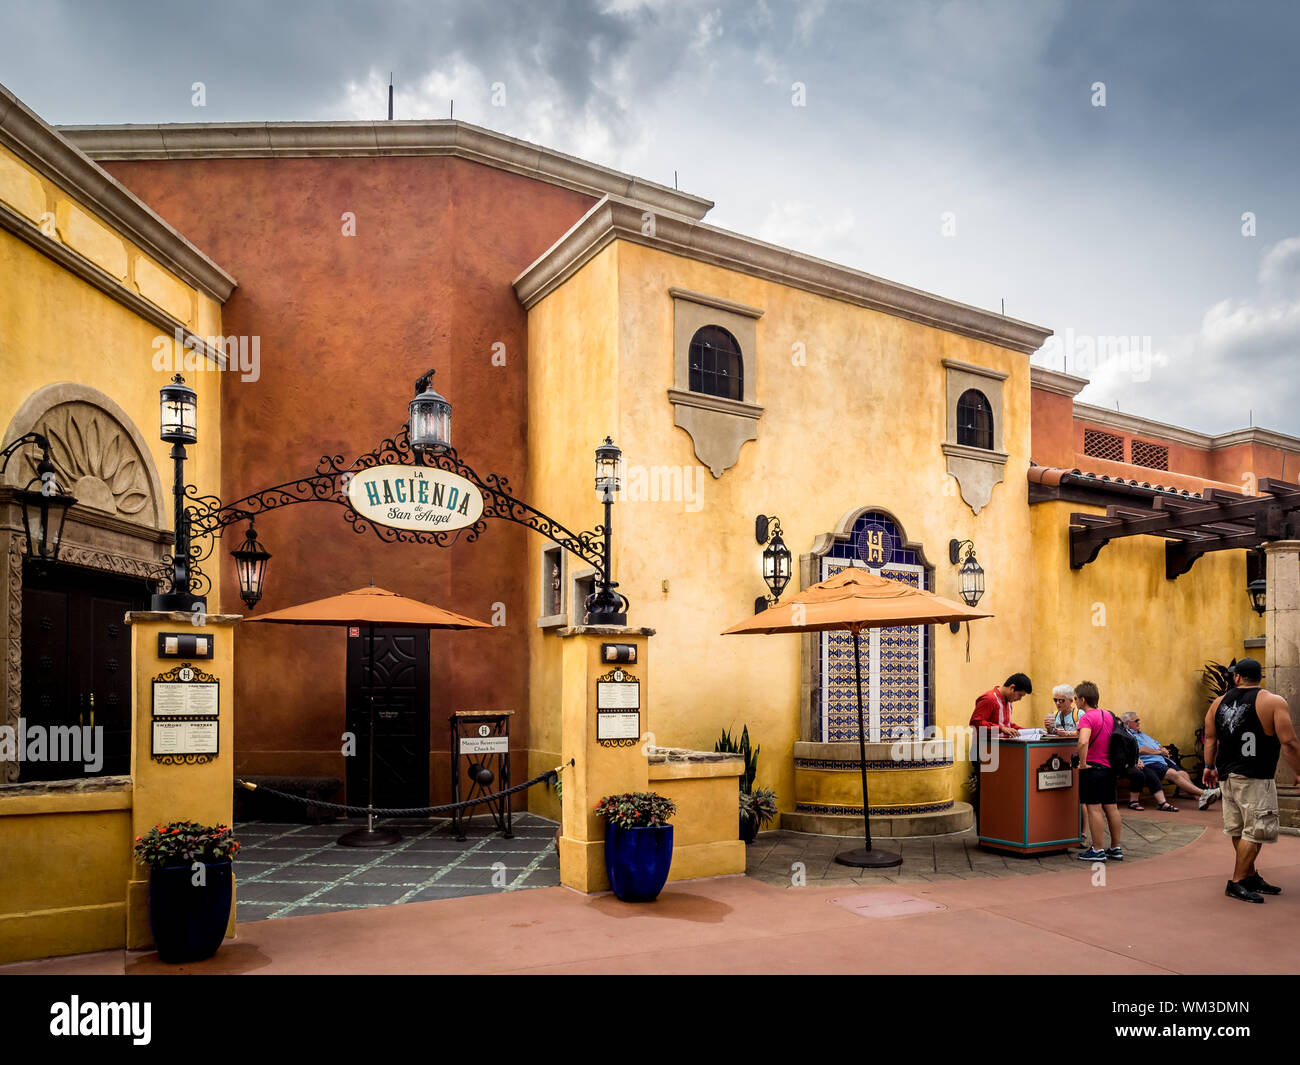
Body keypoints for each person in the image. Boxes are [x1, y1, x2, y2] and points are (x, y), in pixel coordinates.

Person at [1203, 658, 1300, 903]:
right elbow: (1288, 743)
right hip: (1255, 776)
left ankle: (1250, 875)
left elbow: (1210, 739)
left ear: (1236, 677)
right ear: (1259, 677)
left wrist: (1208, 767)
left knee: (1240, 829)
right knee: (1254, 830)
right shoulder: (1272, 701)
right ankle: (1237, 882)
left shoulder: (1217, 703)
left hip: (1227, 775)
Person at [1119, 711, 1219, 812]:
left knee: (1182, 773)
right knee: (1173, 773)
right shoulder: (1129, 735)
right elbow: (1140, 750)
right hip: (1150, 763)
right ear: (1127, 723)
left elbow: (1157, 745)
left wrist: (1163, 750)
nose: (1139, 722)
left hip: (1163, 761)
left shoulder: (1143, 734)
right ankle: (1204, 793)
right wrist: (1159, 752)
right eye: (1136, 721)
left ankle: (1200, 798)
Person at [968, 673, 1032, 831]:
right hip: (983, 752)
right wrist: (1002, 728)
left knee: (998, 792)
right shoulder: (989, 699)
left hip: (1000, 752)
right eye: (1020, 695)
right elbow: (976, 722)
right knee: (987, 793)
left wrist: (1029, 732)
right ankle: (985, 831)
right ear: (1012, 688)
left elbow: (1007, 724)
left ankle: (998, 830)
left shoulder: (1008, 702)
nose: (1019, 699)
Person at [1074, 681, 1123, 862]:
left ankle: (1097, 849)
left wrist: (1083, 762)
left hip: (1093, 769)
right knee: (1111, 808)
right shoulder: (1108, 715)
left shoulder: (1086, 718)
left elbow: (1083, 741)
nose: (1075, 702)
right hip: (1109, 768)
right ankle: (1116, 848)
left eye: (1076, 698)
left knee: (1093, 809)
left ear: (1083, 699)